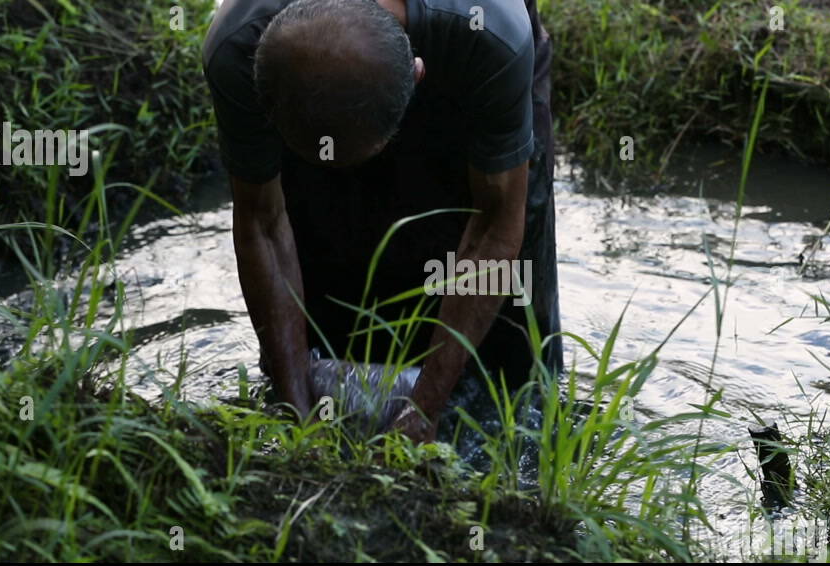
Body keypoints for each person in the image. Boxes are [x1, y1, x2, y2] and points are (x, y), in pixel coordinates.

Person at [202, 0, 561, 443]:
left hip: (470, 48)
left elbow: (494, 224)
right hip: (305, 82)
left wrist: (425, 407)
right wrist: (296, 411)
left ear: (418, 73)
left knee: (508, 362)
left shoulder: (491, 34)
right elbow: (262, 221)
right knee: (325, 289)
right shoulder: (237, 45)